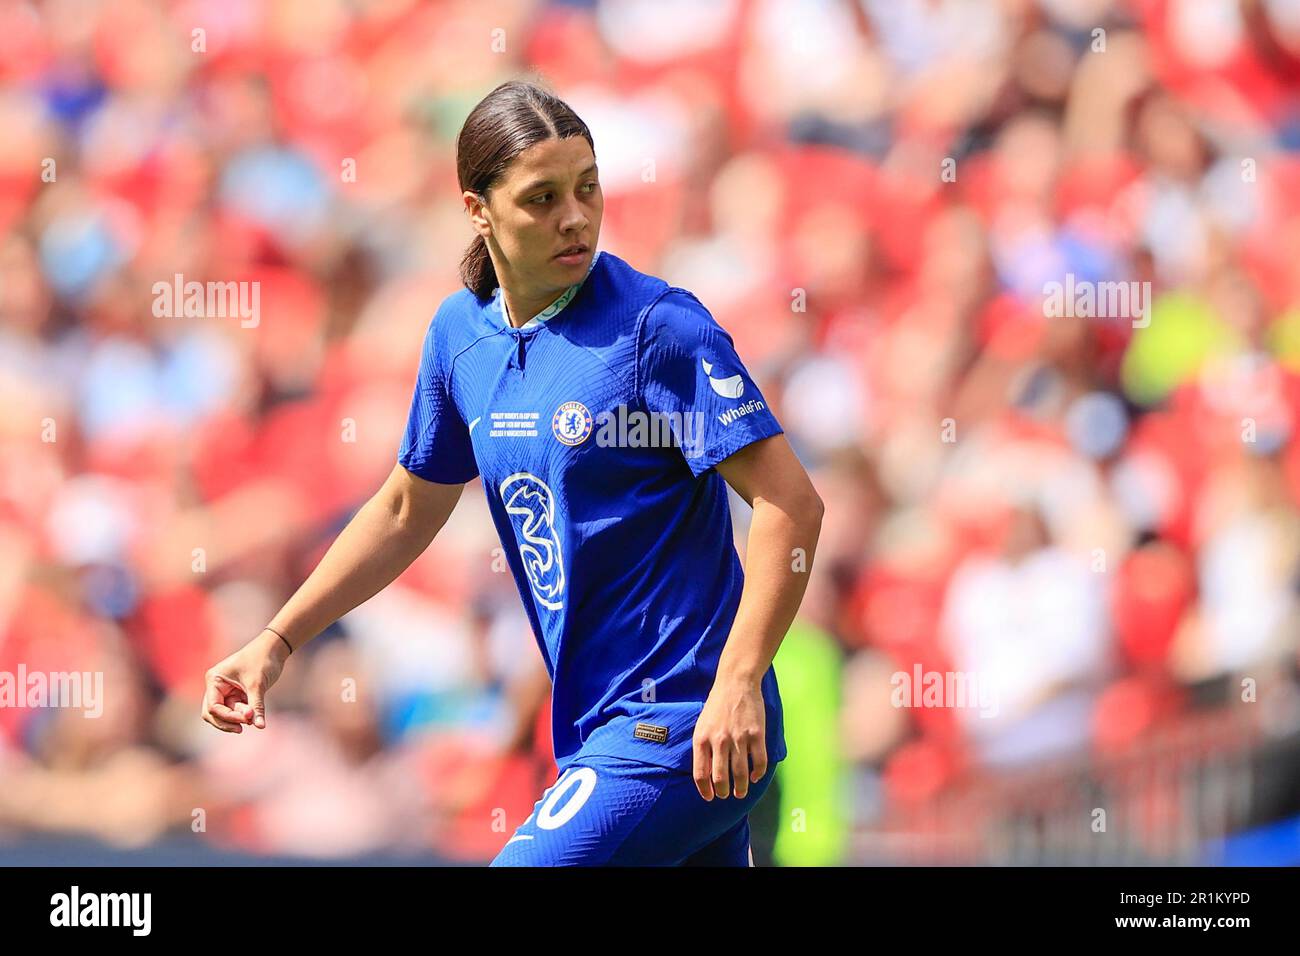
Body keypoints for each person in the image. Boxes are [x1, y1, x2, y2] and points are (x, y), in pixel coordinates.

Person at [200, 79, 824, 866]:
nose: (576, 216)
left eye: (588, 189)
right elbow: (403, 511)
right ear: (478, 210)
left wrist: (738, 679)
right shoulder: (461, 337)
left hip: (683, 720)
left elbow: (790, 504)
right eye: (543, 197)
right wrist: (277, 641)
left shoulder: (657, 329)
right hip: (599, 727)